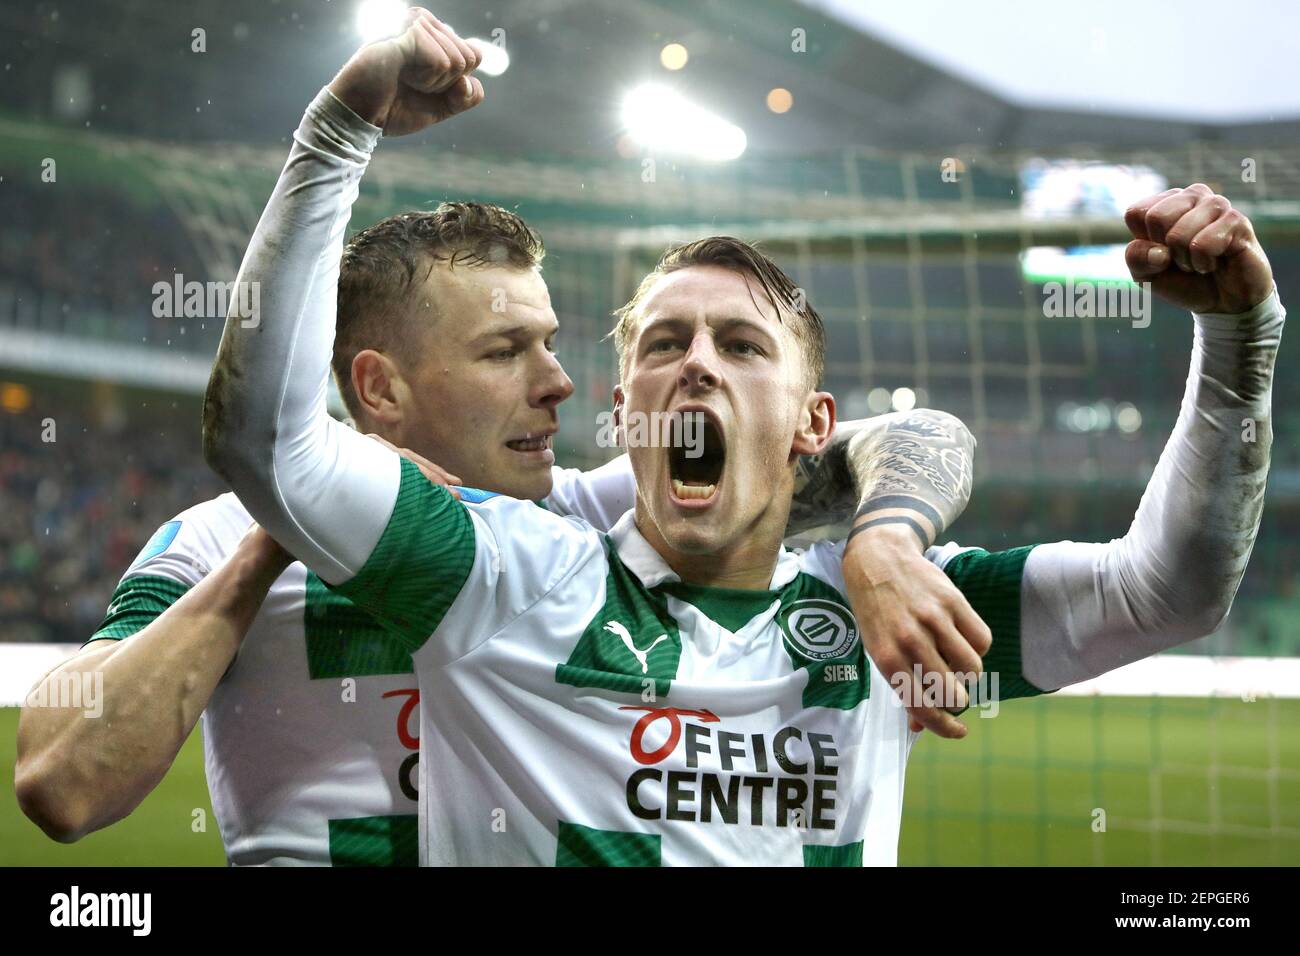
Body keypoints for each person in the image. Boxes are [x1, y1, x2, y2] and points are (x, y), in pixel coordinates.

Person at [201, 10, 1281, 865]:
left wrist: (1239, 335)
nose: (699, 360)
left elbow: (1167, 589)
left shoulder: (879, 620)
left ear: (816, 423)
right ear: (625, 416)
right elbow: (269, 445)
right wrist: (336, 134)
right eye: (664, 341)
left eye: (741, 344)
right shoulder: (504, 572)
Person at [15, 56, 981, 868]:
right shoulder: (213, 539)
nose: (559, 384)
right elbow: (62, 785)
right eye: (504, 352)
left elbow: (893, 440)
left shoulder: (590, 518)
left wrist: (887, 538)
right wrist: (280, 532)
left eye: (553, 343)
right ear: (380, 390)